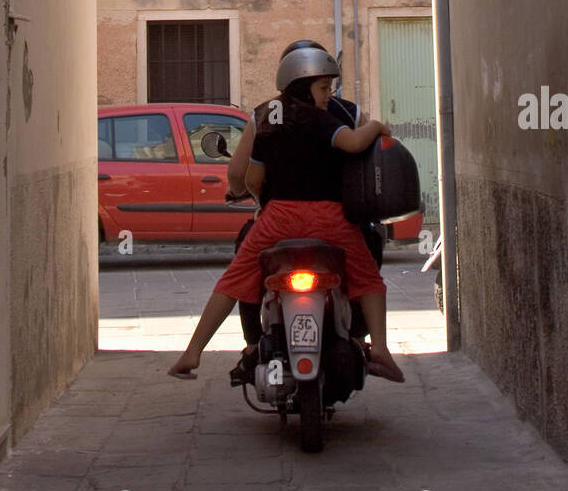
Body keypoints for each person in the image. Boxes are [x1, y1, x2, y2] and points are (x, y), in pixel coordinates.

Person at [168, 45, 405, 383]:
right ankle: (379, 349)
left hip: (277, 218)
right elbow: (353, 144)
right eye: (323, 88)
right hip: (331, 219)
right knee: (368, 279)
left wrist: (260, 199)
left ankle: (193, 353)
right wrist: (378, 126)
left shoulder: (266, 117)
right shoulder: (326, 117)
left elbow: (251, 178)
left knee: (234, 279)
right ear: (302, 85)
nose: (328, 95)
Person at [226, 41, 382, 372]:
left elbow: (242, 176)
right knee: (370, 248)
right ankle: (358, 333)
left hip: (280, 217)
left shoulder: (266, 115)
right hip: (338, 220)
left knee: (244, 256)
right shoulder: (349, 114)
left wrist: (248, 196)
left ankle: (254, 342)